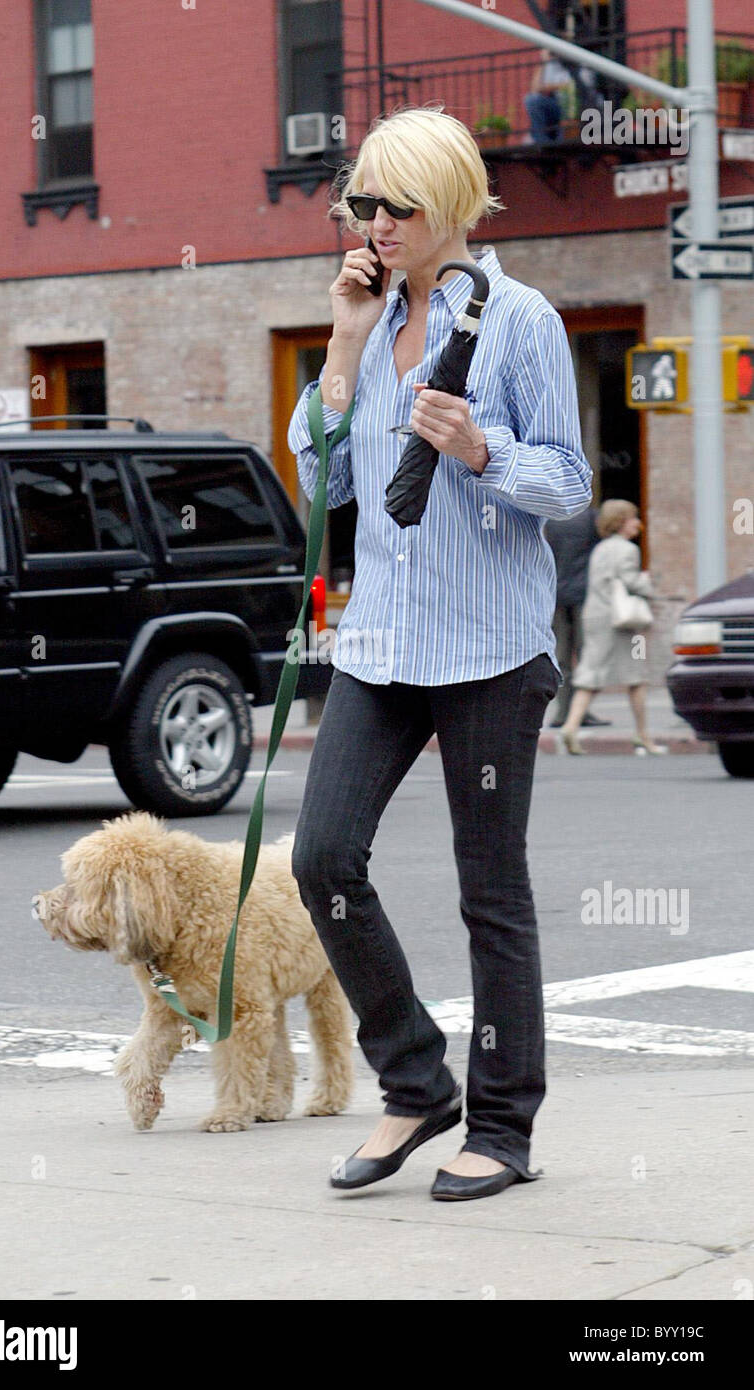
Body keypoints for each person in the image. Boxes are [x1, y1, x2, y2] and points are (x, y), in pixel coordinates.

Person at [287, 106, 592, 1202]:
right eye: (358, 203)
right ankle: (415, 1080)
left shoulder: (522, 321)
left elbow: (569, 481)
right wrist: (340, 347)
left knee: (489, 890)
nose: (371, 223)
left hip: (491, 648)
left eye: (392, 206)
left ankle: (503, 1127)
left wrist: (482, 448)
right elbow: (324, 483)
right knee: (322, 859)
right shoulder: (367, 319)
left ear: (451, 205)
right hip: (381, 642)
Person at [560, 499, 663, 754]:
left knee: (590, 672)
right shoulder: (627, 550)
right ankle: (642, 735)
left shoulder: (601, 548)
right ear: (621, 522)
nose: (638, 524)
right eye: (633, 519)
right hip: (618, 620)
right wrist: (649, 586)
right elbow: (630, 581)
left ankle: (570, 726)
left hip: (594, 615)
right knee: (635, 676)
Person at [544, 503, 611, 729]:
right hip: (584, 595)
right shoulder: (591, 519)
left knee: (561, 656)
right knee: (585, 655)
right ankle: (580, 711)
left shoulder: (550, 520)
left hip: (557, 593)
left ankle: (563, 712)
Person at [524, 49, 574, 144]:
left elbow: (571, 85)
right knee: (531, 100)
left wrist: (547, 87)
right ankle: (542, 142)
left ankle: (561, 144)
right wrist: (543, 61)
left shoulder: (575, 61)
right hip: (555, 105)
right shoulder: (550, 65)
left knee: (568, 106)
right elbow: (535, 88)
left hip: (571, 104)